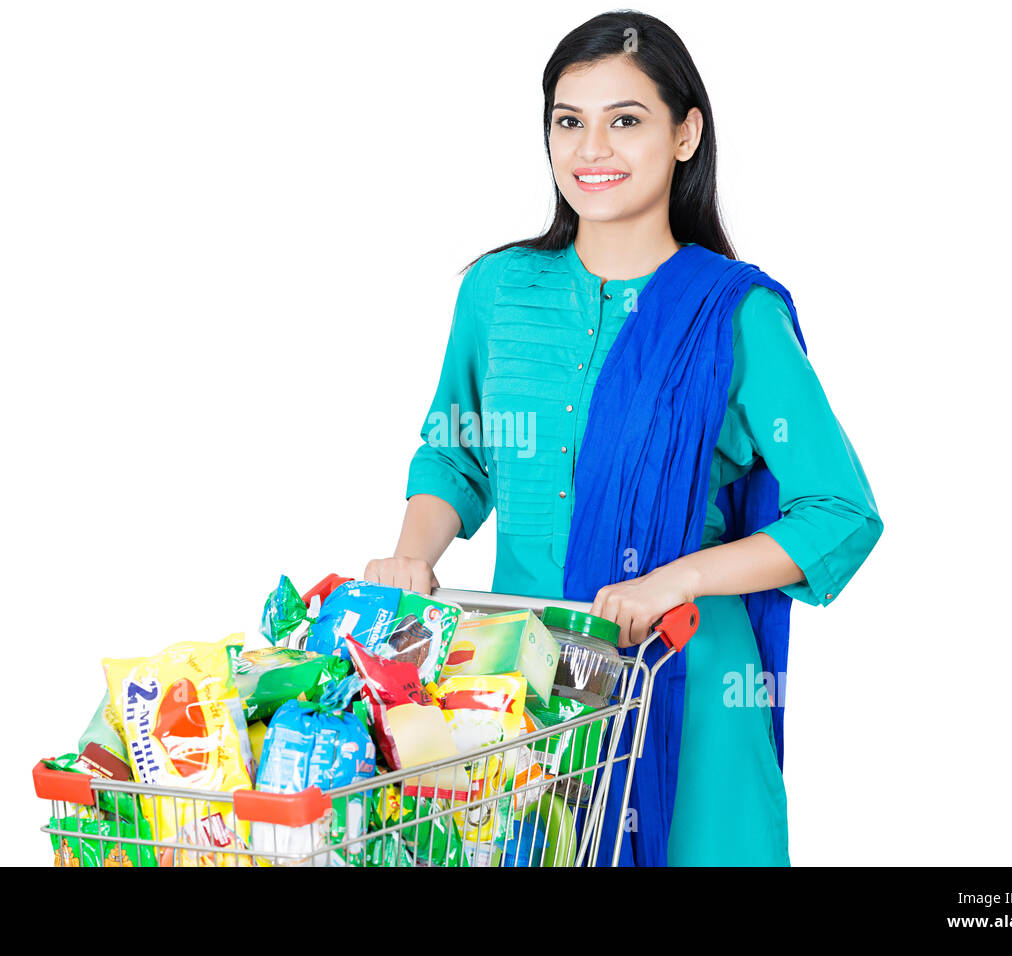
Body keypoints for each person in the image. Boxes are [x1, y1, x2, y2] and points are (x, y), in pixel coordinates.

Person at [363, 10, 883, 866]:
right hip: (522, 699)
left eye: (626, 120)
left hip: (688, 688)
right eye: (569, 122)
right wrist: (414, 555)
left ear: (686, 134)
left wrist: (673, 581)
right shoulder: (497, 290)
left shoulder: (732, 314)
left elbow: (839, 512)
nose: (591, 148)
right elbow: (456, 450)